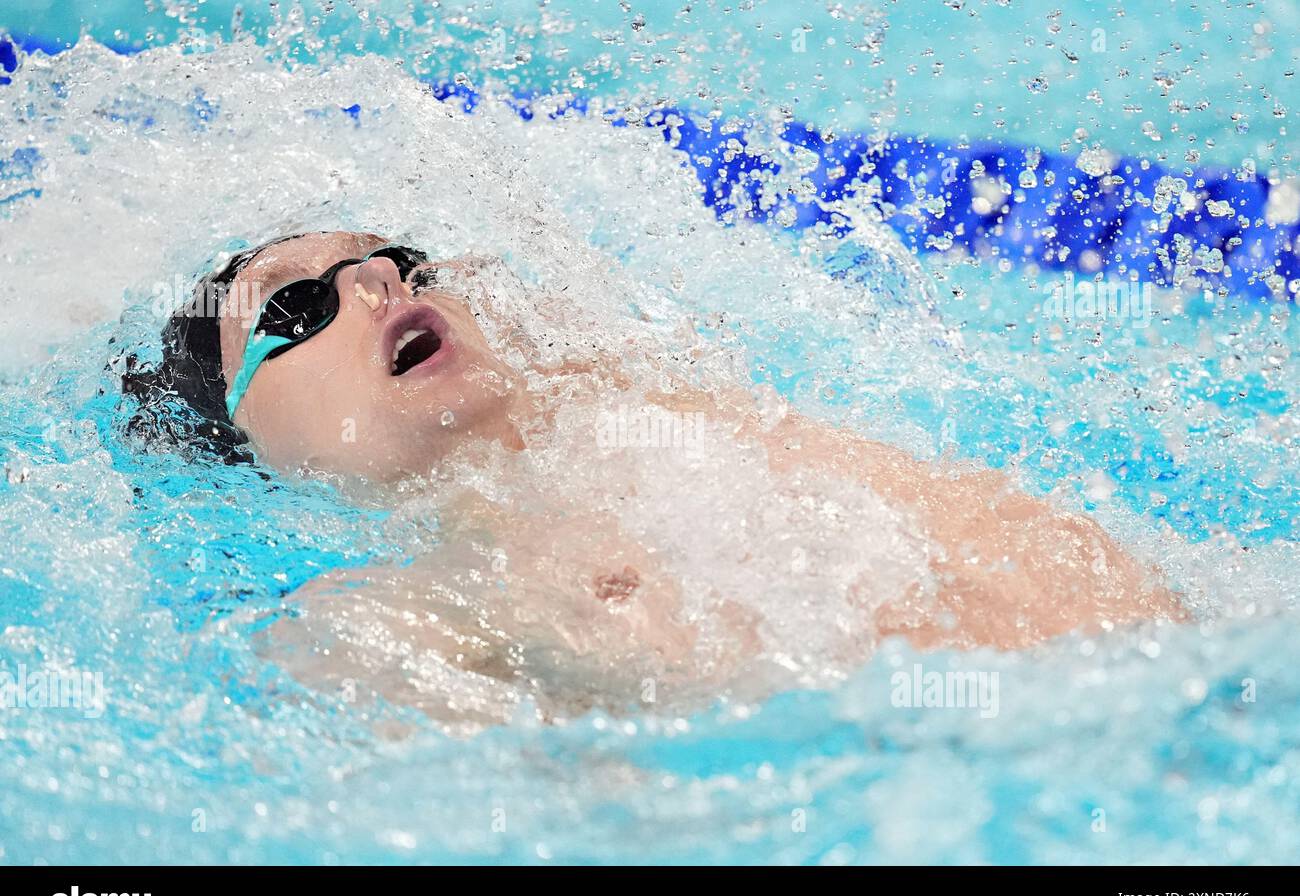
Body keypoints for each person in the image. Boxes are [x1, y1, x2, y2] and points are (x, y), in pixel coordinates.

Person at [123, 230, 1186, 726]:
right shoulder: (381, 625)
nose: (373, 280)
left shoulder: (691, 414)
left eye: (404, 260)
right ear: (248, 452)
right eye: (293, 305)